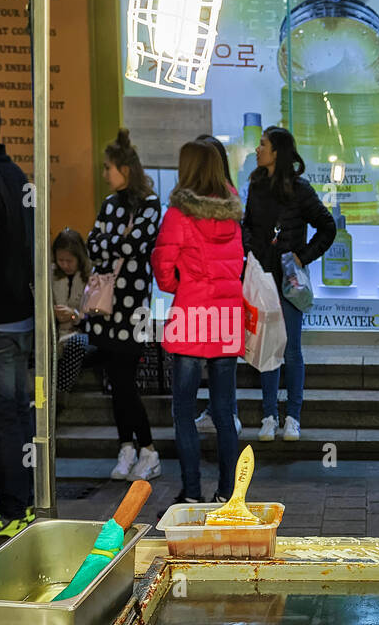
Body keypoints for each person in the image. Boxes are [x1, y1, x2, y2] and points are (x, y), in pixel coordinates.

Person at [151, 141, 245, 505]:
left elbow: (162, 266)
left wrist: (181, 285)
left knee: (183, 411)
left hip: (192, 315)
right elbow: (237, 264)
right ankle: (228, 494)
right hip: (224, 317)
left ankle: (191, 493)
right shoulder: (232, 213)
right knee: (224, 411)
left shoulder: (179, 215)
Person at [242, 125, 335, 443]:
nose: (258, 149)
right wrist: (251, 250)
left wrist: (303, 256)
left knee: (291, 350)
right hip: (260, 278)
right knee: (266, 348)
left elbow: (327, 226)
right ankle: (269, 415)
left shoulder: (300, 189)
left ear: (277, 152)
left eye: (263, 144)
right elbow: (247, 226)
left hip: (289, 281)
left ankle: (293, 417)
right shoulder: (255, 185)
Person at [85, 128, 162, 481]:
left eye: (108, 167)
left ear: (124, 169)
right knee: (116, 381)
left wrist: (111, 242)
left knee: (125, 381)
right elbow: (92, 245)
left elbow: (136, 246)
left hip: (132, 309)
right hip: (106, 309)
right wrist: (119, 241)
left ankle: (146, 448)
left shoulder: (150, 203)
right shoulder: (109, 203)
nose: (104, 173)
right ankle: (127, 446)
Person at [0, 93, 35, 540]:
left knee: (4, 417)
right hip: (22, 312)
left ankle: (13, 507)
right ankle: (22, 502)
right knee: (16, 412)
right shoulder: (17, 175)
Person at [192, 133, 243, 438]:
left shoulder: (221, 197)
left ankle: (225, 413)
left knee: (220, 361)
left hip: (215, 291)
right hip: (218, 291)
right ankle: (220, 411)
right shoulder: (225, 195)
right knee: (218, 360)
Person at [51, 229, 92, 394]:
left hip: (82, 332)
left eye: (69, 260)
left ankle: (59, 393)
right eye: (61, 260)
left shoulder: (91, 276)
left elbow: (97, 316)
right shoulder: (50, 274)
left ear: (79, 258)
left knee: (76, 344)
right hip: (55, 332)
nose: (65, 265)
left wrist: (74, 315)